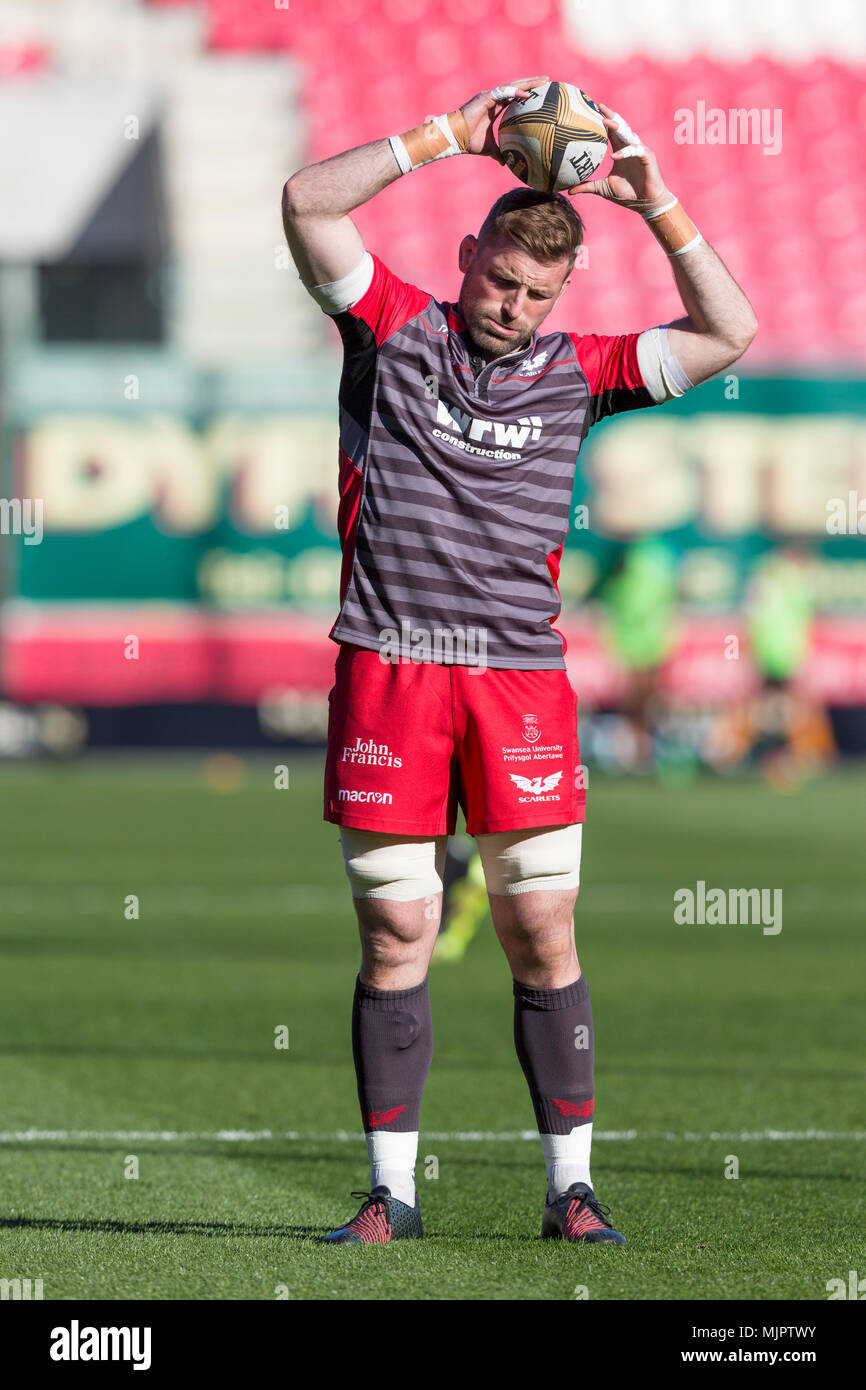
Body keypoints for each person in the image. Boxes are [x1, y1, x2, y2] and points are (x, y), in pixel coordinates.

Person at [281, 77, 758, 1245]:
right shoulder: (390, 325)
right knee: (396, 933)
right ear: (466, 253)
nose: (510, 306)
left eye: (535, 292)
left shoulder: (579, 373)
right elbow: (304, 204)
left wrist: (656, 203)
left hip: (518, 684)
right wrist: (446, 135)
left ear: (561, 292)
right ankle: (391, 1194)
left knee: (540, 929)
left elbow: (726, 332)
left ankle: (570, 1191)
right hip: (389, 669)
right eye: (497, 279)